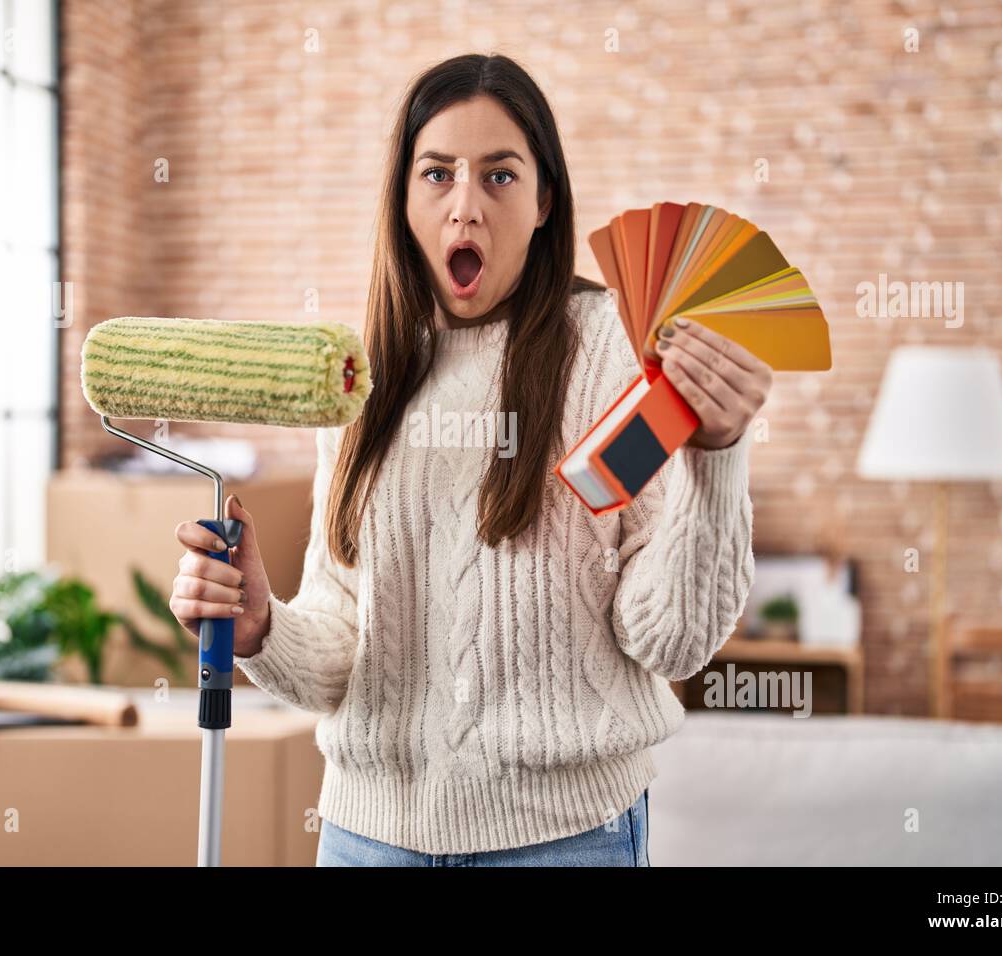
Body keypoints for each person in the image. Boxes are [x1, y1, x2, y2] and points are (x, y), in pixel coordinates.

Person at [169, 53, 769, 867]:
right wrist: (263, 627)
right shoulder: (358, 378)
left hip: (564, 840)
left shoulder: (614, 355)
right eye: (438, 174)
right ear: (404, 198)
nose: (465, 208)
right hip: (365, 839)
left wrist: (718, 458)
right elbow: (345, 644)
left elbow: (670, 641)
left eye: (499, 177)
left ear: (543, 200)